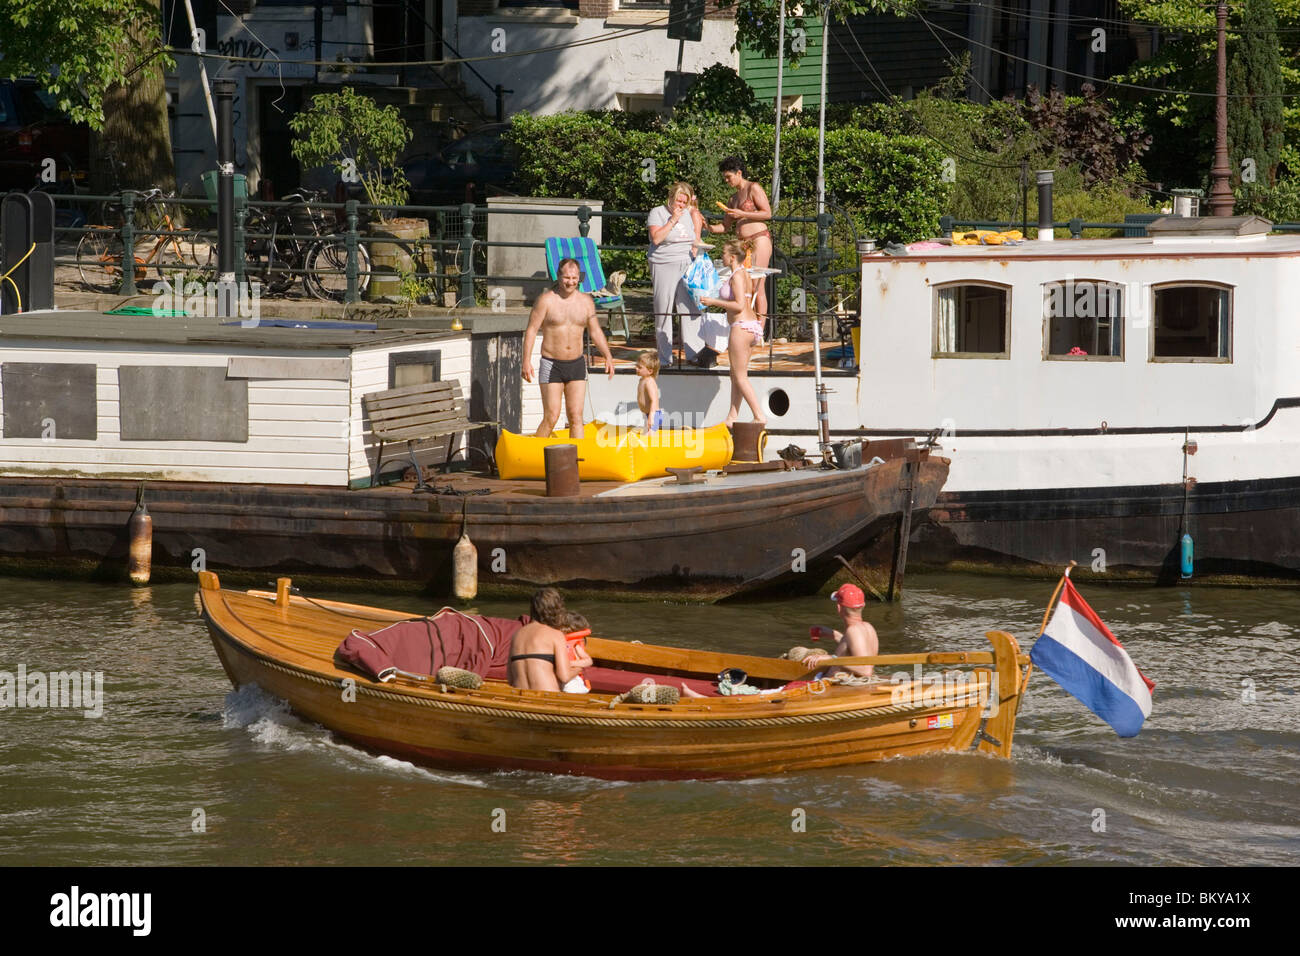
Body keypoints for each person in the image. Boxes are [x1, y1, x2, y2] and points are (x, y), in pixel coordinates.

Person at [522, 258, 615, 439]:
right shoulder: (546, 300)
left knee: (576, 417)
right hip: (552, 364)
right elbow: (531, 330)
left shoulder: (586, 302)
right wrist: (526, 361)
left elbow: (595, 331)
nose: (570, 282)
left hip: (577, 364)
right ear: (558, 276)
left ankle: (577, 462)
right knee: (552, 416)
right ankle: (535, 455)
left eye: (574, 278)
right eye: (566, 278)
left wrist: (608, 356)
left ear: (578, 278)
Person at [700, 239, 765, 427]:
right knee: (735, 374)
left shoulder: (737, 275)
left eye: (724, 253)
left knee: (740, 376)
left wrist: (714, 302)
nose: (722, 256)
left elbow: (738, 305)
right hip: (751, 325)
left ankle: (759, 415)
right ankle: (732, 416)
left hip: (741, 326)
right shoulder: (744, 273)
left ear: (733, 257)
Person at [647, 182, 707, 367]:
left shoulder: (689, 214)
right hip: (664, 262)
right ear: (671, 198)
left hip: (687, 263)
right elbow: (656, 238)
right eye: (678, 201)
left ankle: (694, 353)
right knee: (663, 309)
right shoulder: (658, 212)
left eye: (685, 201)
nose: (681, 205)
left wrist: (698, 249)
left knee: (690, 308)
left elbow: (694, 238)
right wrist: (673, 219)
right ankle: (665, 358)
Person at [708, 156, 772, 321]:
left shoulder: (753, 188)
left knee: (757, 284)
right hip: (742, 244)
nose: (727, 181)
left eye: (729, 177)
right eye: (725, 178)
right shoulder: (733, 199)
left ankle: (760, 326)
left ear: (739, 173)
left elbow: (767, 213)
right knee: (744, 284)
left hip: (758, 239)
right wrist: (706, 226)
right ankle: (747, 322)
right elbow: (724, 227)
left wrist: (742, 214)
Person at [508, 588, 593, 692]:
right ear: (557, 611)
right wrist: (580, 668)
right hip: (547, 698)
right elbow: (564, 677)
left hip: (520, 697)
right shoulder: (555, 635)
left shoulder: (517, 635)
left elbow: (511, 679)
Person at [799, 584, 880, 679]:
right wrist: (835, 635)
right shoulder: (869, 627)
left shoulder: (853, 631)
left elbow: (866, 671)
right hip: (852, 683)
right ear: (863, 605)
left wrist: (832, 659)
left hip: (836, 687)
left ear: (839, 608)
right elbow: (854, 648)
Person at [635, 350, 662, 434]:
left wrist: (651, 416)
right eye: (636, 366)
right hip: (648, 414)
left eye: (639, 367)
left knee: (650, 438)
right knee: (646, 435)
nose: (636, 368)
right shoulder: (642, 379)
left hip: (654, 415)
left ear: (650, 371)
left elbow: (654, 400)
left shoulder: (649, 382)